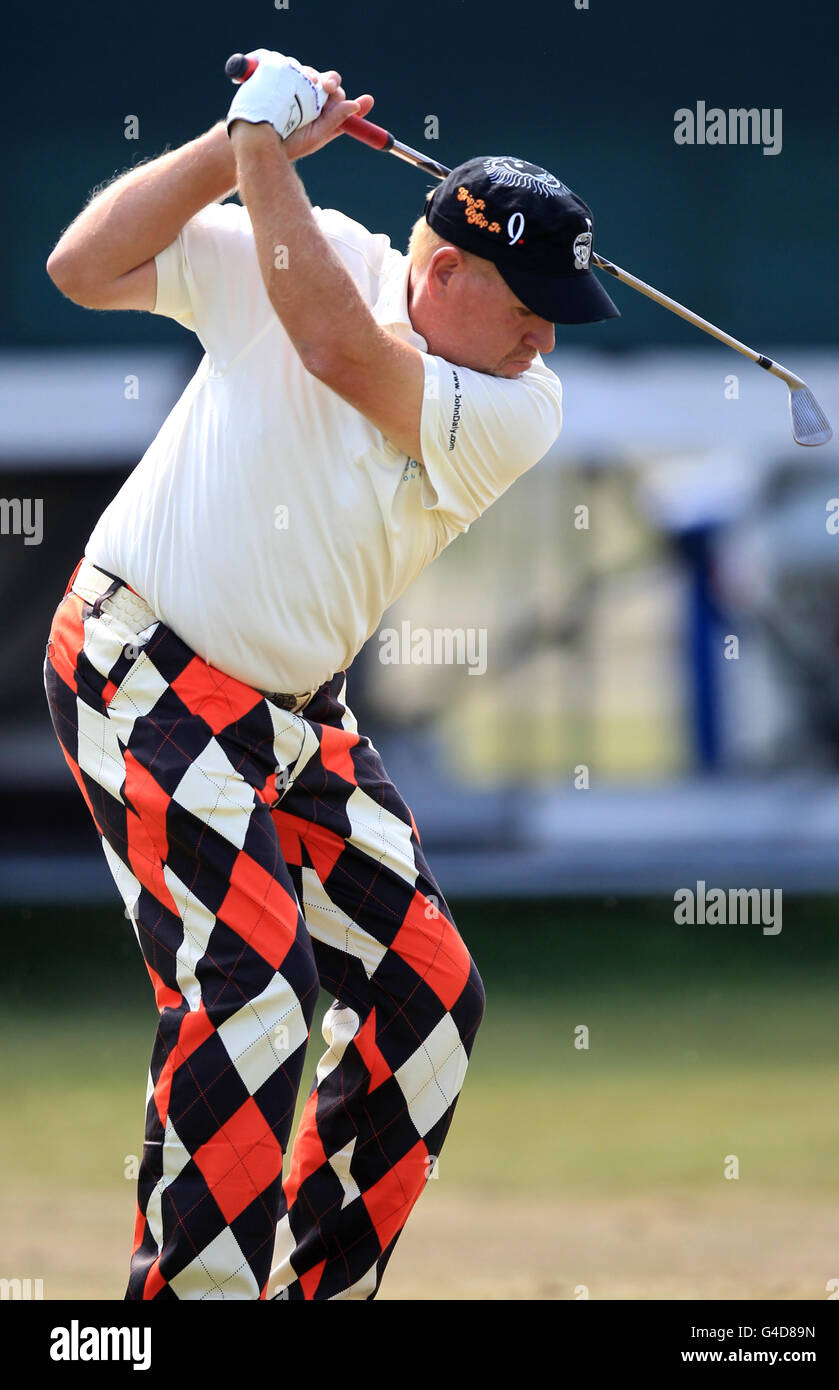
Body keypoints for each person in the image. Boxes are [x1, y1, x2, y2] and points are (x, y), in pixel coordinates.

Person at [43, 50, 619, 1300]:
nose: (538, 342)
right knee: (251, 988)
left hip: (297, 720)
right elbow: (82, 267)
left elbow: (338, 352)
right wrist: (233, 141)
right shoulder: (306, 238)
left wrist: (267, 149)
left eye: (553, 320)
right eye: (522, 307)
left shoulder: (522, 408)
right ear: (444, 268)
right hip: (135, 658)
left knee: (426, 996)